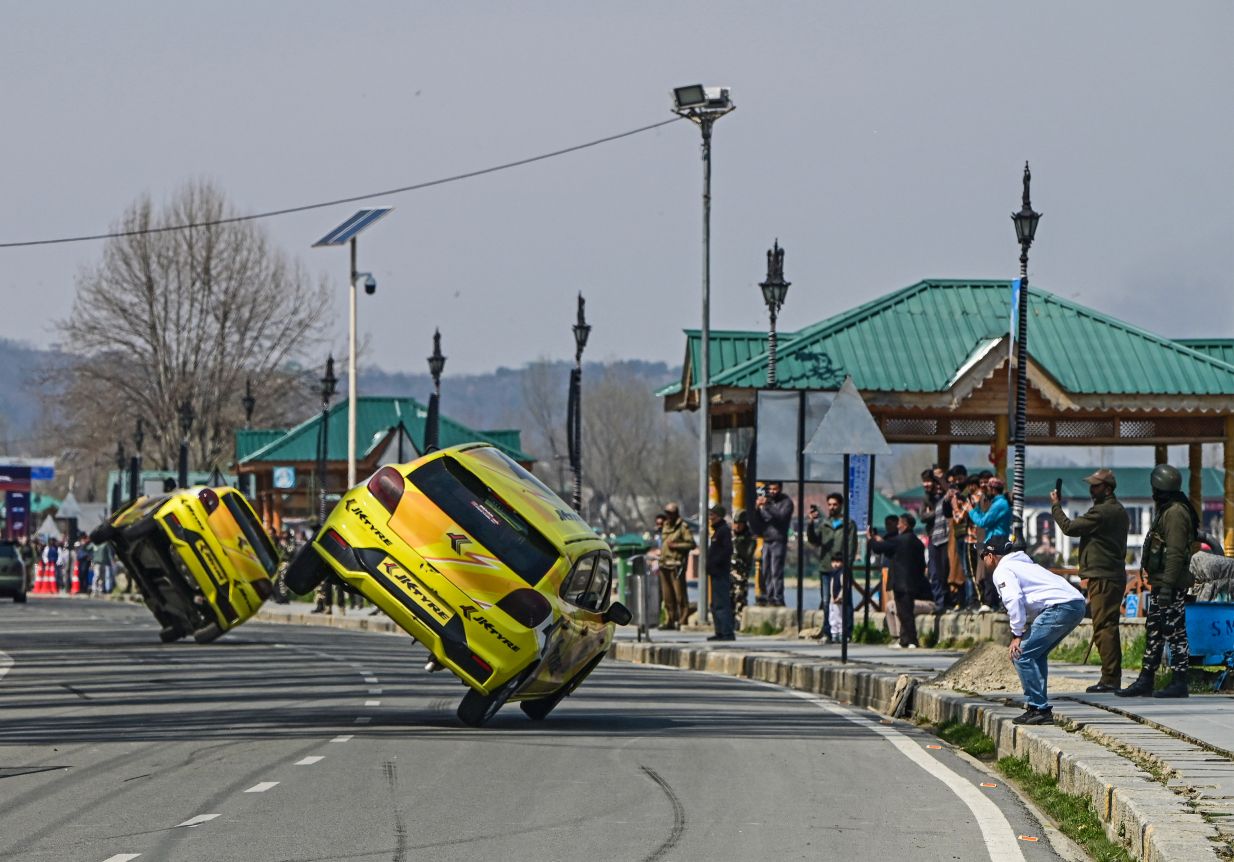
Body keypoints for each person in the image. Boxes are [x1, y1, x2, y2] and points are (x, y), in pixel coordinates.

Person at [983, 540, 1086, 725]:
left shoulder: (1002, 570)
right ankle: (1037, 707)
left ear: (991, 557)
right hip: (1076, 605)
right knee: (1036, 655)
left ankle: (1039, 708)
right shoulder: (1022, 564)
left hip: (1061, 607)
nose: (983, 561)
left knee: (1020, 654)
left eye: (983, 557)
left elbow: (1014, 599)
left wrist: (1017, 635)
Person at [1118, 464, 1196, 699]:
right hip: (1162, 582)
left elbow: (1174, 553)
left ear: (1159, 488)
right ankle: (1146, 679)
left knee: (1175, 632)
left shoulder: (1175, 513)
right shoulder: (1168, 509)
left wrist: (1168, 587)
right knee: (1155, 630)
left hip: (1169, 584)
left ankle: (1180, 681)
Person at [1050, 468, 1130, 693]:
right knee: (1106, 625)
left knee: (1104, 627)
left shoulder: (1102, 513)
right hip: (1110, 576)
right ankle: (1110, 677)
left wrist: (1056, 505)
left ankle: (1110, 679)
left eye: (1095, 486)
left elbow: (1069, 528)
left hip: (1104, 577)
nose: (1091, 489)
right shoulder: (1117, 510)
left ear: (1106, 488)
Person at [867, 513, 927, 649]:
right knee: (904, 610)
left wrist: (870, 539)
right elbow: (920, 564)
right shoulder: (917, 542)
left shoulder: (900, 540)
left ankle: (912, 640)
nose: (897, 525)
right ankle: (904, 640)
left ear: (904, 525)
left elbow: (879, 548)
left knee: (905, 612)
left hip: (901, 581)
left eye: (899, 523)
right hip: (913, 581)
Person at [807, 493, 857, 612]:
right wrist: (810, 524)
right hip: (826, 567)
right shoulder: (824, 524)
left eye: (835, 504)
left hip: (841, 569)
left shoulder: (849, 524)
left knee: (845, 600)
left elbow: (851, 547)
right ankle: (827, 629)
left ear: (841, 505)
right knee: (826, 601)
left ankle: (846, 629)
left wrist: (846, 565)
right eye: (829, 505)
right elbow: (814, 540)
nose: (831, 507)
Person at [967, 476, 1010, 611]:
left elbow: (982, 522)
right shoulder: (997, 503)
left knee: (991, 573)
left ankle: (991, 603)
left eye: (989, 489)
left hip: (997, 540)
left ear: (993, 489)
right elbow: (983, 517)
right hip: (994, 539)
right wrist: (976, 509)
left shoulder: (999, 504)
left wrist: (970, 510)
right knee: (989, 572)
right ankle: (991, 602)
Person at [752, 482, 793, 607]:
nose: (772, 492)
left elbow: (781, 517)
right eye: (770, 489)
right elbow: (760, 520)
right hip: (767, 539)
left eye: (775, 489)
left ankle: (778, 597)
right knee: (766, 570)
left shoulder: (786, 502)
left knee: (776, 571)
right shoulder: (767, 502)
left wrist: (767, 506)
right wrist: (757, 508)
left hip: (778, 540)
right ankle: (769, 597)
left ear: (780, 489)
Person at [658, 502, 695, 629]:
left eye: (670, 513)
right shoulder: (665, 525)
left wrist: (676, 546)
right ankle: (670, 620)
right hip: (664, 564)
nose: (668, 516)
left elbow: (691, 544)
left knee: (680, 595)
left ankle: (683, 619)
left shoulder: (683, 527)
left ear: (675, 514)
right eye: (666, 513)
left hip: (676, 565)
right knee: (667, 596)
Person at [919, 471, 952, 612]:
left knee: (945, 570)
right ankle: (939, 602)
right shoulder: (927, 498)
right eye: (924, 481)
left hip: (946, 538)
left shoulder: (944, 497)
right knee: (934, 572)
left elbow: (951, 494)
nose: (926, 484)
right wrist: (934, 512)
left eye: (928, 481)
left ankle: (947, 601)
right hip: (933, 537)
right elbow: (922, 515)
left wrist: (932, 512)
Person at [706, 505, 735, 641]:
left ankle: (727, 633)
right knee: (715, 604)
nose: (710, 518)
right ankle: (719, 632)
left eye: (712, 515)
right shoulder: (717, 531)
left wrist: (716, 562)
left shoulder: (723, 531)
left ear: (718, 516)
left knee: (721, 604)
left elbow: (727, 550)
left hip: (720, 573)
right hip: (715, 573)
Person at [730, 509, 755, 622]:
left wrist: (738, 542)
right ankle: (729, 622)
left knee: (739, 597)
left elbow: (747, 555)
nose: (737, 526)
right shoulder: (731, 536)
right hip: (729, 573)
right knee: (728, 598)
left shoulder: (749, 539)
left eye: (739, 524)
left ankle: (739, 621)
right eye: (735, 523)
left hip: (740, 574)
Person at [824, 553, 852, 644]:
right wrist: (832, 597)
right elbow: (832, 586)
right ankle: (834, 634)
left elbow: (844, 587)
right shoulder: (833, 573)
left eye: (838, 562)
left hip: (840, 600)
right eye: (833, 562)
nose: (835, 564)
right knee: (832, 617)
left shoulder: (842, 573)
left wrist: (840, 597)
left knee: (840, 617)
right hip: (833, 600)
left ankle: (841, 635)